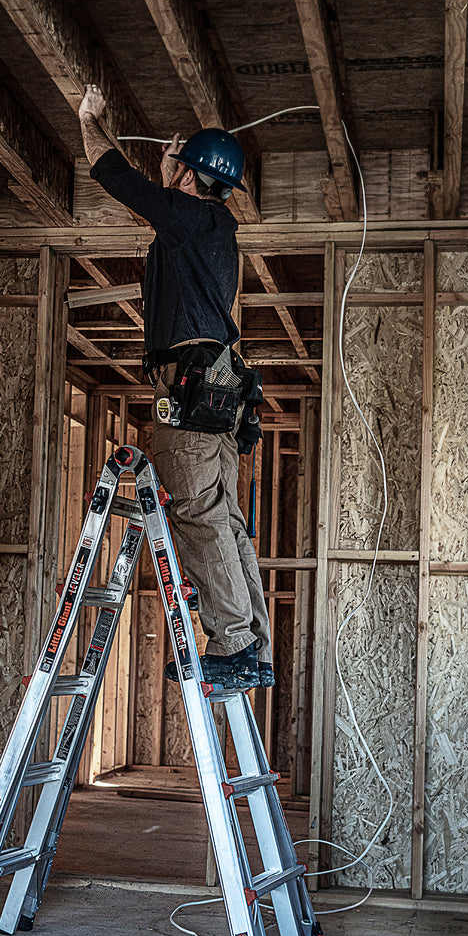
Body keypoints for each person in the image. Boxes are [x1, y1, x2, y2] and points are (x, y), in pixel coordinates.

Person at [79, 83, 274, 690]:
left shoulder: (193, 220)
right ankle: (252, 645)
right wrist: (174, 171)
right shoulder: (212, 229)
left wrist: (92, 121)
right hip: (216, 395)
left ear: (192, 178)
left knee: (195, 513)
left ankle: (235, 642)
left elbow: (116, 177)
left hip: (193, 397)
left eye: (181, 174)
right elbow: (164, 209)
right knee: (225, 520)